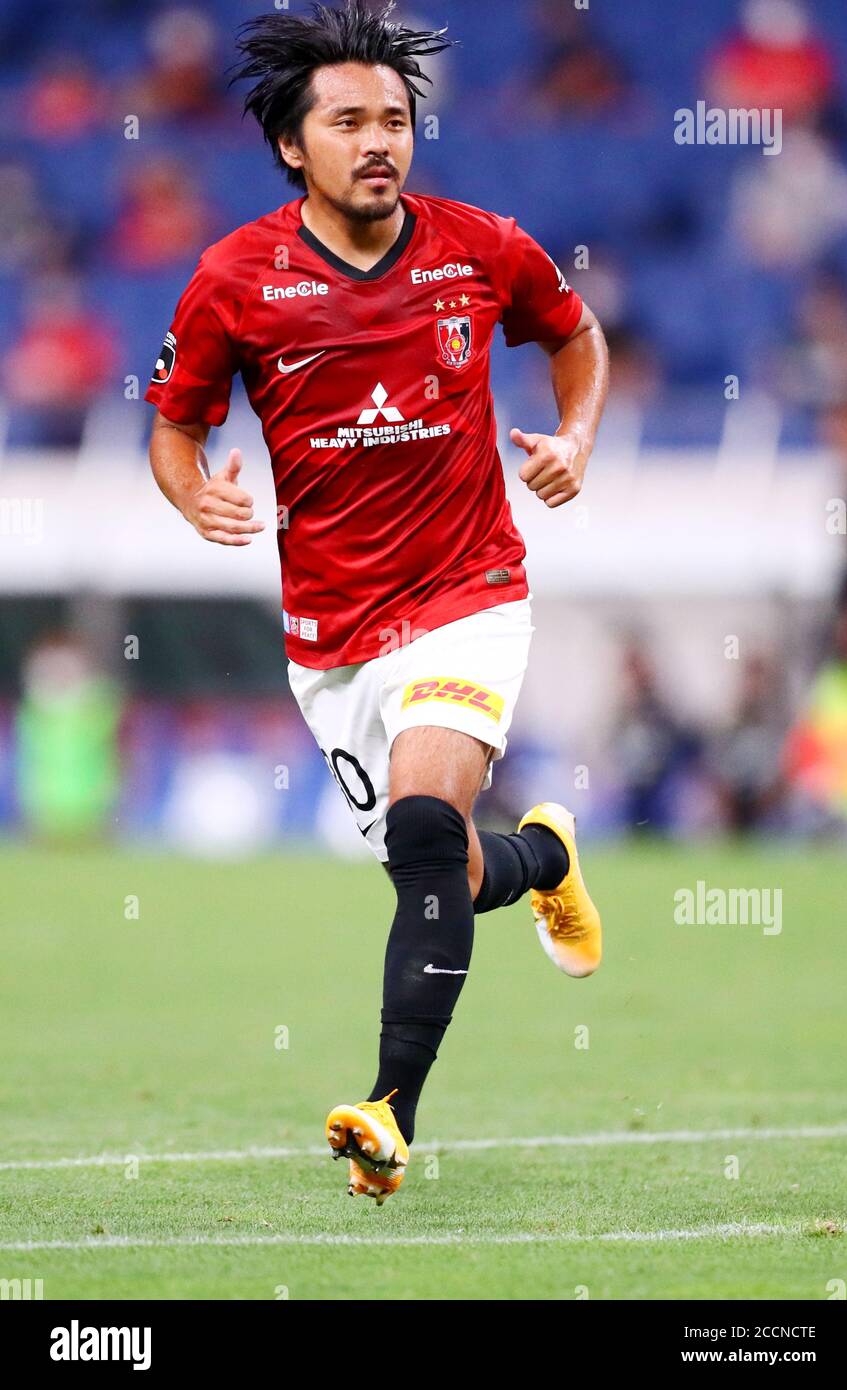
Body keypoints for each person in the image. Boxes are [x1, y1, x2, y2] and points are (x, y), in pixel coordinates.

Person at [146, 0, 608, 1205]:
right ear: (293, 146)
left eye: (394, 118)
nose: (378, 140)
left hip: (468, 593)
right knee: (439, 865)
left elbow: (574, 332)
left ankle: (390, 1110)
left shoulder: (479, 247)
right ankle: (543, 854)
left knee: (414, 838)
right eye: (346, 120)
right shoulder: (234, 280)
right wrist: (195, 495)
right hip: (331, 642)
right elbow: (175, 428)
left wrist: (573, 431)